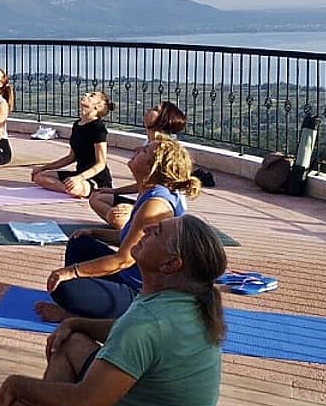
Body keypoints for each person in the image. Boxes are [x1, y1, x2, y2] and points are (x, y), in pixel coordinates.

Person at [0, 214, 227, 406]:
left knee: (16, 403)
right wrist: (76, 323)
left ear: (171, 264)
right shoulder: (185, 301)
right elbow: (126, 331)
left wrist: (15, 385)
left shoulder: (147, 324)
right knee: (70, 341)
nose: (148, 228)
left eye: (158, 232)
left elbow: (84, 405)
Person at [36, 136, 201, 323]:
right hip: (129, 276)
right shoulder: (151, 192)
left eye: (144, 151)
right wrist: (95, 232)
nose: (137, 150)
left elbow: (123, 260)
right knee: (79, 242)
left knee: (63, 287)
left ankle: (78, 314)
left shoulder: (155, 205)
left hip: (142, 292)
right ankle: (82, 305)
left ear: (152, 168)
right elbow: (131, 238)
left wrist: (71, 272)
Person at [89, 101, 186, 228]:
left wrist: (134, 208)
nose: (149, 109)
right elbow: (144, 184)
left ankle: (127, 226)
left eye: (155, 109)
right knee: (97, 197)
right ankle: (125, 225)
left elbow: (158, 187)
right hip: (145, 201)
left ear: (163, 119)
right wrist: (114, 191)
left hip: (161, 209)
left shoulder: (163, 149)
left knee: (117, 216)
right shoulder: (148, 143)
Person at [31, 91, 115, 199]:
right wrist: (43, 168)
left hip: (95, 178)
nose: (86, 94)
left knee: (75, 186)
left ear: (97, 107)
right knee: (39, 176)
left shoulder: (98, 128)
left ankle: (79, 189)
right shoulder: (77, 125)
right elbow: (71, 157)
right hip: (79, 174)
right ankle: (68, 189)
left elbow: (101, 164)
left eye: (92, 95)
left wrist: (80, 177)